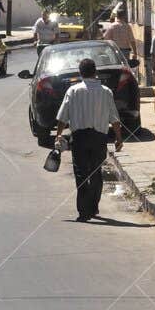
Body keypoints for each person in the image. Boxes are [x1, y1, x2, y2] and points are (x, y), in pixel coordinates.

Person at [54, 55, 123, 222]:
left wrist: (58, 135)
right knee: (96, 172)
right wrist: (119, 138)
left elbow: (63, 117)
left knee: (81, 173)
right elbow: (114, 118)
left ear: (80, 73)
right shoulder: (106, 92)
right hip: (99, 137)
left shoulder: (73, 91)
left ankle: (84, 211)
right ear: (95, 72)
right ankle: (93, 207)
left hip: (79, 137)